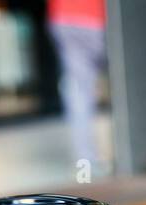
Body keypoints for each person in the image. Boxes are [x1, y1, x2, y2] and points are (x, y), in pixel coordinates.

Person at [47, 0, 108, 169]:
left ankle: (86, 161)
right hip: (96, 18)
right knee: (127, 80)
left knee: (79, 92)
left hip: (64, 17)